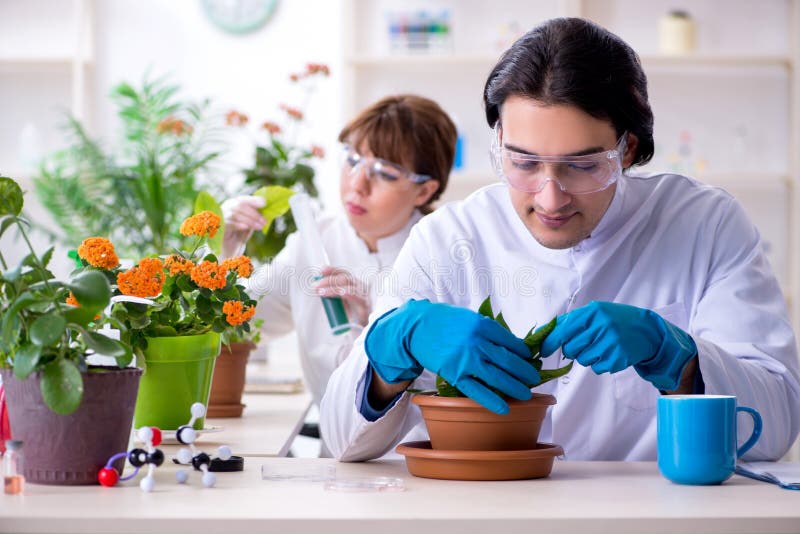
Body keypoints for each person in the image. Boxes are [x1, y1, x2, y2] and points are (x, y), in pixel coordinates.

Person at [320, 17, 800, 462]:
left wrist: (679, 359)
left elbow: (776, 428)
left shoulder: (704, 224)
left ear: (627, 148)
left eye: (583, 166)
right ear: (499, 139)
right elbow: (342, 441)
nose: (550, 199)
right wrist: (393, 346)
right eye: (524, 162)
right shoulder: (449, 238)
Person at [223, 95, 457, 455]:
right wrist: (224, 246)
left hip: (423, 463)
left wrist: (373, 326)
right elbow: (236, 323)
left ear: (425, 190)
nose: (357, 184)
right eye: (352, 160)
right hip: (338, 464)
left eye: (384, 173)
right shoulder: (313, 242)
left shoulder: (445, 254)